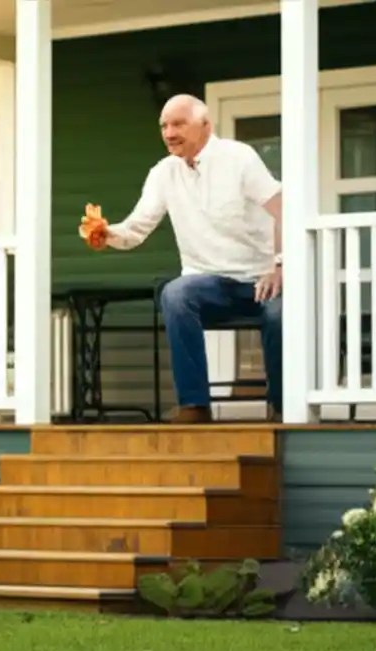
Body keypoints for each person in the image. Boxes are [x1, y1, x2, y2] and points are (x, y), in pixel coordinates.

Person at [81, 94, 284, 424]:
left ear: (206, 126)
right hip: (211, 284)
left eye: (178, 124)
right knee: (175, 293)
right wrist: (108, 234)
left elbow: (282, 208)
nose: (169, 132)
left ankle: (282, 408)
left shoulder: (239, 158)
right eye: (163, 125)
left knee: (279, 316)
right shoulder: (164, 173)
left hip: (262, 280)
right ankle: (195, 406)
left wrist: (279, 266)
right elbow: (137, 227)